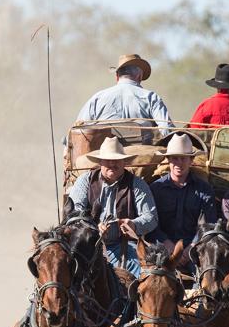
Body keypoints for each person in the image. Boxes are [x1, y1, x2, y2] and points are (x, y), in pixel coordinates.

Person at [66, 136, 157, 276]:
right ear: (100, 161)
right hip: (87, 245)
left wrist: (133, 224)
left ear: (124, 162)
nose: (112, 164)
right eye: (108, 160)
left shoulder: (137, 185)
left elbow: (151, 217)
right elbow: (74, 215)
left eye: (116, 160)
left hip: (125, 245)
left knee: (141, 275)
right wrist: (94, 228)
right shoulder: (85, 181)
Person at [149, 132, 218, 271]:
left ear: (191, 160)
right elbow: (151, 223)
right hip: (162, 248)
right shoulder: (156, 189)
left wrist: (190, 248)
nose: (179, 163)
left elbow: (209, 225)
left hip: (195, 249)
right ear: (168, 160)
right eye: (175, 158)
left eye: (183, 158)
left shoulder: (204, 190)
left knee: (206, 278)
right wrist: (167, 244)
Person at [76, 54, 172, 143]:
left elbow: (79, 129)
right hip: (143, 159)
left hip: (105, 158)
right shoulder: (151, 97)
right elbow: (166, 129)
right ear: (139, 76)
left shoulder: (98, 98)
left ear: (117, 76)